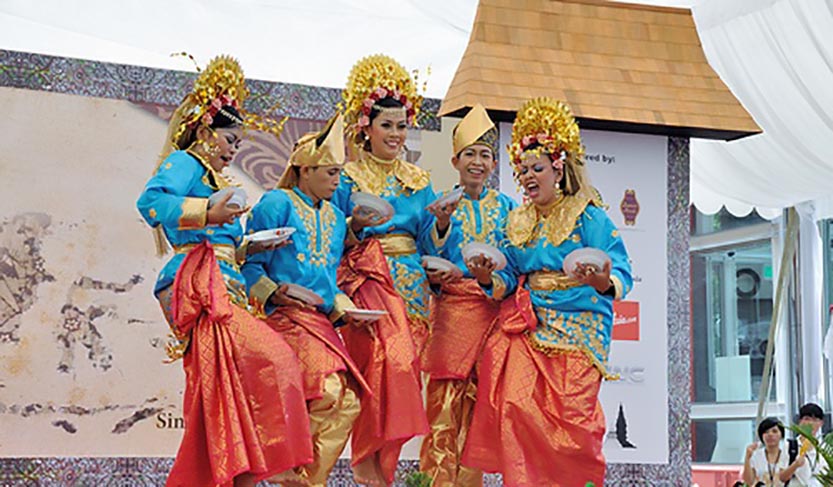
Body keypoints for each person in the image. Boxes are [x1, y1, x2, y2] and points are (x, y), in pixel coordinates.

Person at [136, 55, 312, 487]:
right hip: (199, 285)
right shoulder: (186, 164)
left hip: (225, 286)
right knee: (271, 361)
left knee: (230, 391)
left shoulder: (214, 177)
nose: (235, 149)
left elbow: (225, 240)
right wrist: (207, 212)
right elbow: (150, 203)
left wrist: (253, 243)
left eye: (238, 142)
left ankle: (242, 476)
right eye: (230, 139)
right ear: (203, 131)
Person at [460, 97, 632, 486]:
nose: (527, 177)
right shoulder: (516, 220)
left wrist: (599, 280)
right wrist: (487, 277)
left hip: (580, 326)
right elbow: (507, 278)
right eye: (522, 171)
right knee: (514, 406)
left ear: (558, 167)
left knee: (573, 424)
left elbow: (620, 270)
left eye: (536, 168)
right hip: (531, 324)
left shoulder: (589, 214)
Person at [331, 54, 457, 486]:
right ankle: (367, 471)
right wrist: (353, 227)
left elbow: (430, 242)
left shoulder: (419, 180)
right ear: (366, 125)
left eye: (403, 126)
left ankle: (380, 475)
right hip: (366, 282)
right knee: (385, 370)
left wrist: (440, 223)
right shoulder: (346, 177)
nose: (397, 134)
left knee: (401, 381)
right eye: (388, 125)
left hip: (411, 290)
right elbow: (328, 235)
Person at [241, 113, 371, 487]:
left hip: (320, 323)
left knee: (349, 404)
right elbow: (250, 263)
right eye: (331, 173)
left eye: (338, 173)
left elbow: (326, 280)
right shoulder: (277, 203)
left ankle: (303, 480)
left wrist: (346, 311)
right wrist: (273, 291)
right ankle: (289, 470)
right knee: (330, 392)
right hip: (285, 319)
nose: (338, 181)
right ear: (305, 169)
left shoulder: (333, 217)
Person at [419, 104, 516, 487]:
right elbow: (426, 254)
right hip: (451, 318)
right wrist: (441, 224)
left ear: (494, 163)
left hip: (491, 316)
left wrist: (493, 281)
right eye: (470, 154)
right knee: (442, 413)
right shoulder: (440, 204)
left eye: (485, 155)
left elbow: (516, 265)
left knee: (476, 417)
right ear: (455, 160)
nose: (478, 162)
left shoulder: (510, 209)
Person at [780, 403, 828, 486]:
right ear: (800, 421)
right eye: (807, 419)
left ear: (821, 423)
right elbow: (782, 478)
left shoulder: (825, 448)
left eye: (815, 420)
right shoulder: (790, 446)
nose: (810, 423)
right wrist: (795, 465)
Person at [743, 417, 789, 487]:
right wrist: (747, 457)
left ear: (781, 435)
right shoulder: (756, 456)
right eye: (766, 432)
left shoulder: (787, 455)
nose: (770, 434)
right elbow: (749, 482)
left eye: (774, 431)